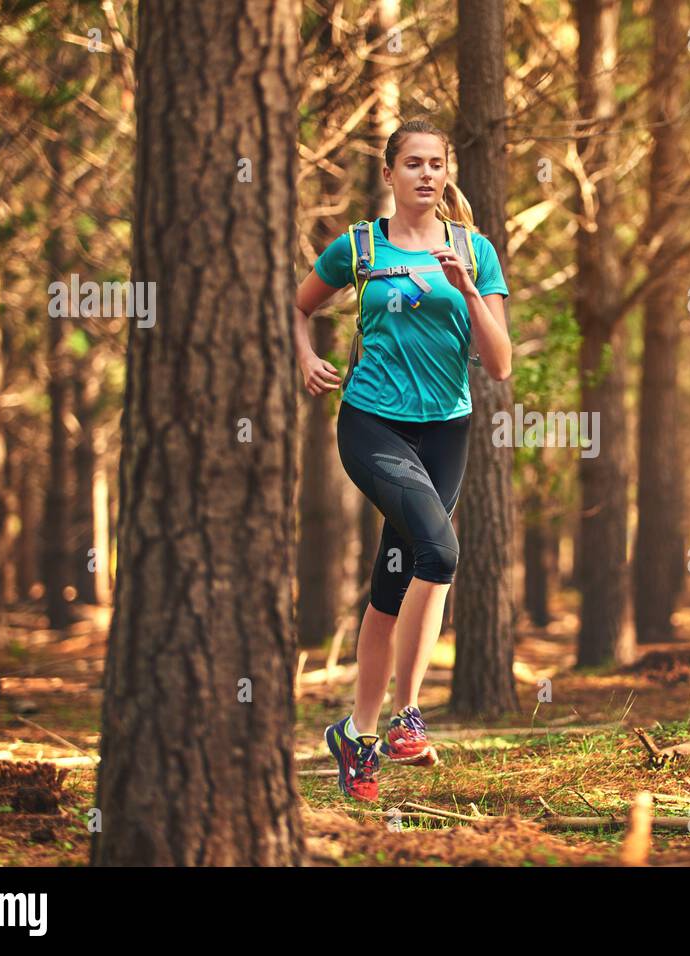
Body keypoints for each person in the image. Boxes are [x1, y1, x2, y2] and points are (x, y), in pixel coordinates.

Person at [293, 118, 512, 801]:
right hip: (372, 424)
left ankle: (356, 738)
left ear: (447, 173)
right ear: (388, 174)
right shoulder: (359, 246)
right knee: (439, 554)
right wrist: (304, 356)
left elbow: (500, 364)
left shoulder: (474, 250)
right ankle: (407, 716)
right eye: (412, 162)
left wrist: (468, 289)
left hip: (446, 430)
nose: (425, 173)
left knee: (393, 585)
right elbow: (296, 306)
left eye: (436, 163)